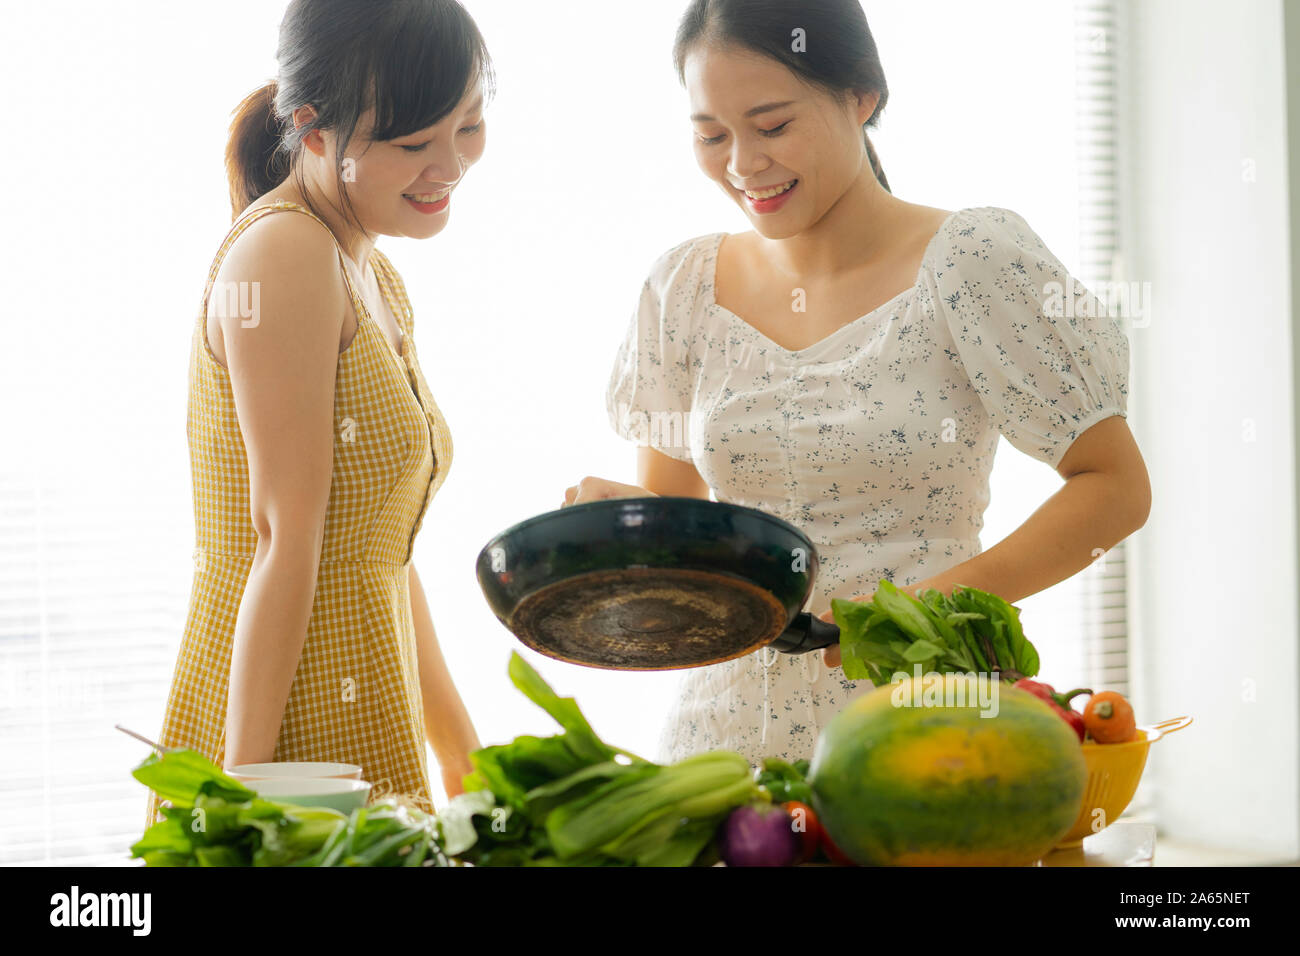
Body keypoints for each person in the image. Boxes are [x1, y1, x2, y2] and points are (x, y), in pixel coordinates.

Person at [566, 0, 1151, 768]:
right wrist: (635, 534)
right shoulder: (683, 290)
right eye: (712, 135)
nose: (742, 163)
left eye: (772, 125)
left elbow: (1114, 487)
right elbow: (697, 553)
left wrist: (925, 605)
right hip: (723, 747)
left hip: (925, 722)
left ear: (861, 95)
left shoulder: (971, 259)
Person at [147, 0, 490, 825]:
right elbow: (281, 538)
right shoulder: (284, 254)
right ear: (312, 131)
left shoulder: (369, 269)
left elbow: (379, 547)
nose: (451, 163)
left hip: (366, 696)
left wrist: (461, 757)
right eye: (413, 144)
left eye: (470, 125)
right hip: (287, 724)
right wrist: (243, 798)